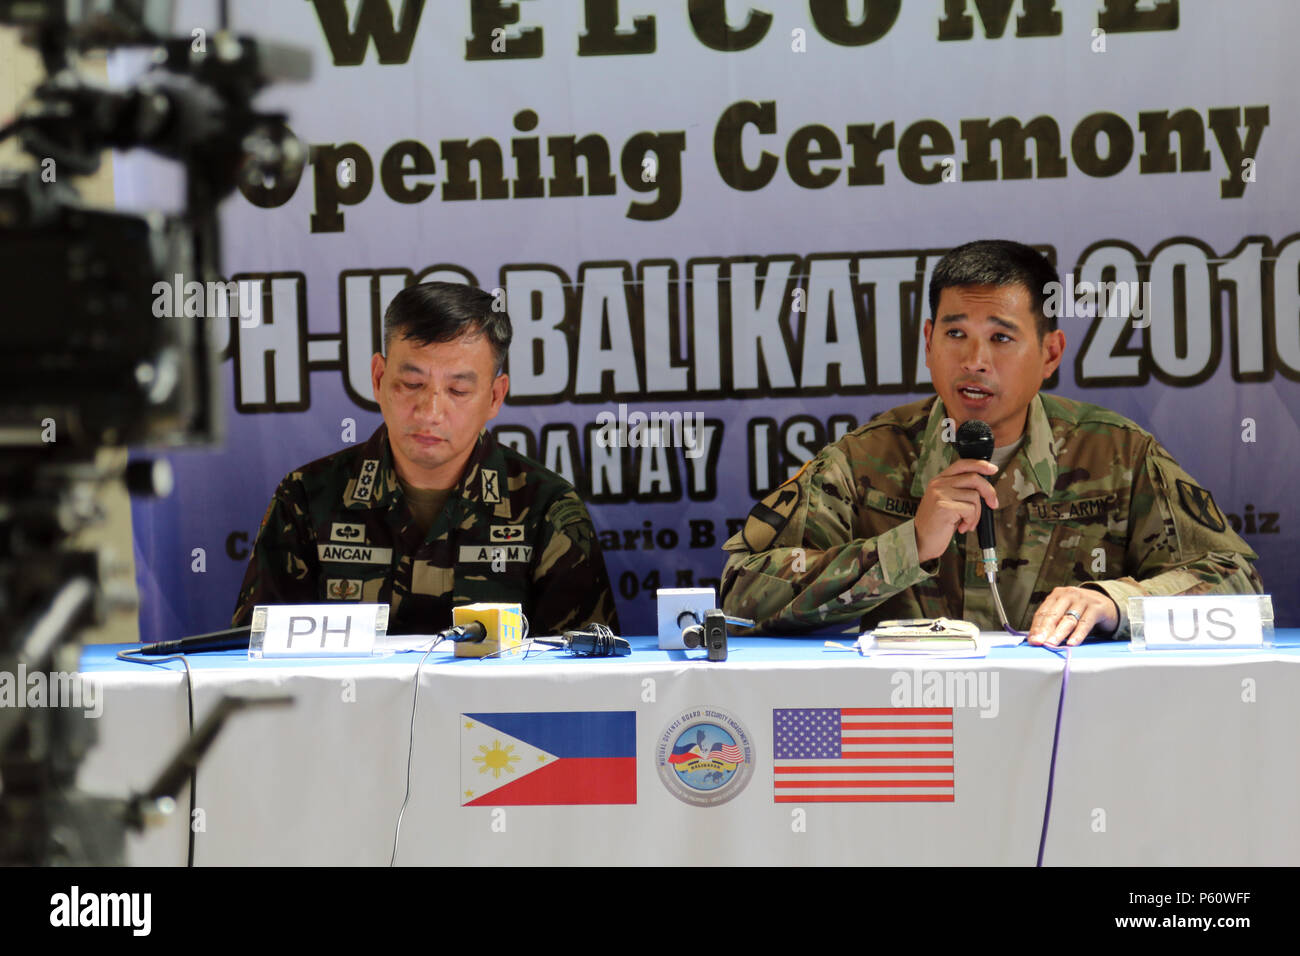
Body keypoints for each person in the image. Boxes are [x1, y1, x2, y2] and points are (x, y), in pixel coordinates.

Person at [720, 239, 1262, 645]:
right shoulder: (866, 460)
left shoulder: (1118, 455)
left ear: (1050, 354)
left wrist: (1114, 603)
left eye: (1001, 338)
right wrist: (908, 546)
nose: (974, 360)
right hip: (913, 732)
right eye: (955, 334)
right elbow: (738, 593)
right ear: (929, 343)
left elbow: (1240, 587)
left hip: (1068, 730)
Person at [233, 281, 619, 636]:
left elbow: (582, 678)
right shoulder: (306, 499)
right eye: (412, 384)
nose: (431, 411)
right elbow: (258, 662)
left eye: (457, 389)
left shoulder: (546, 509)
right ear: (378, 377)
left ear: (495, 397)